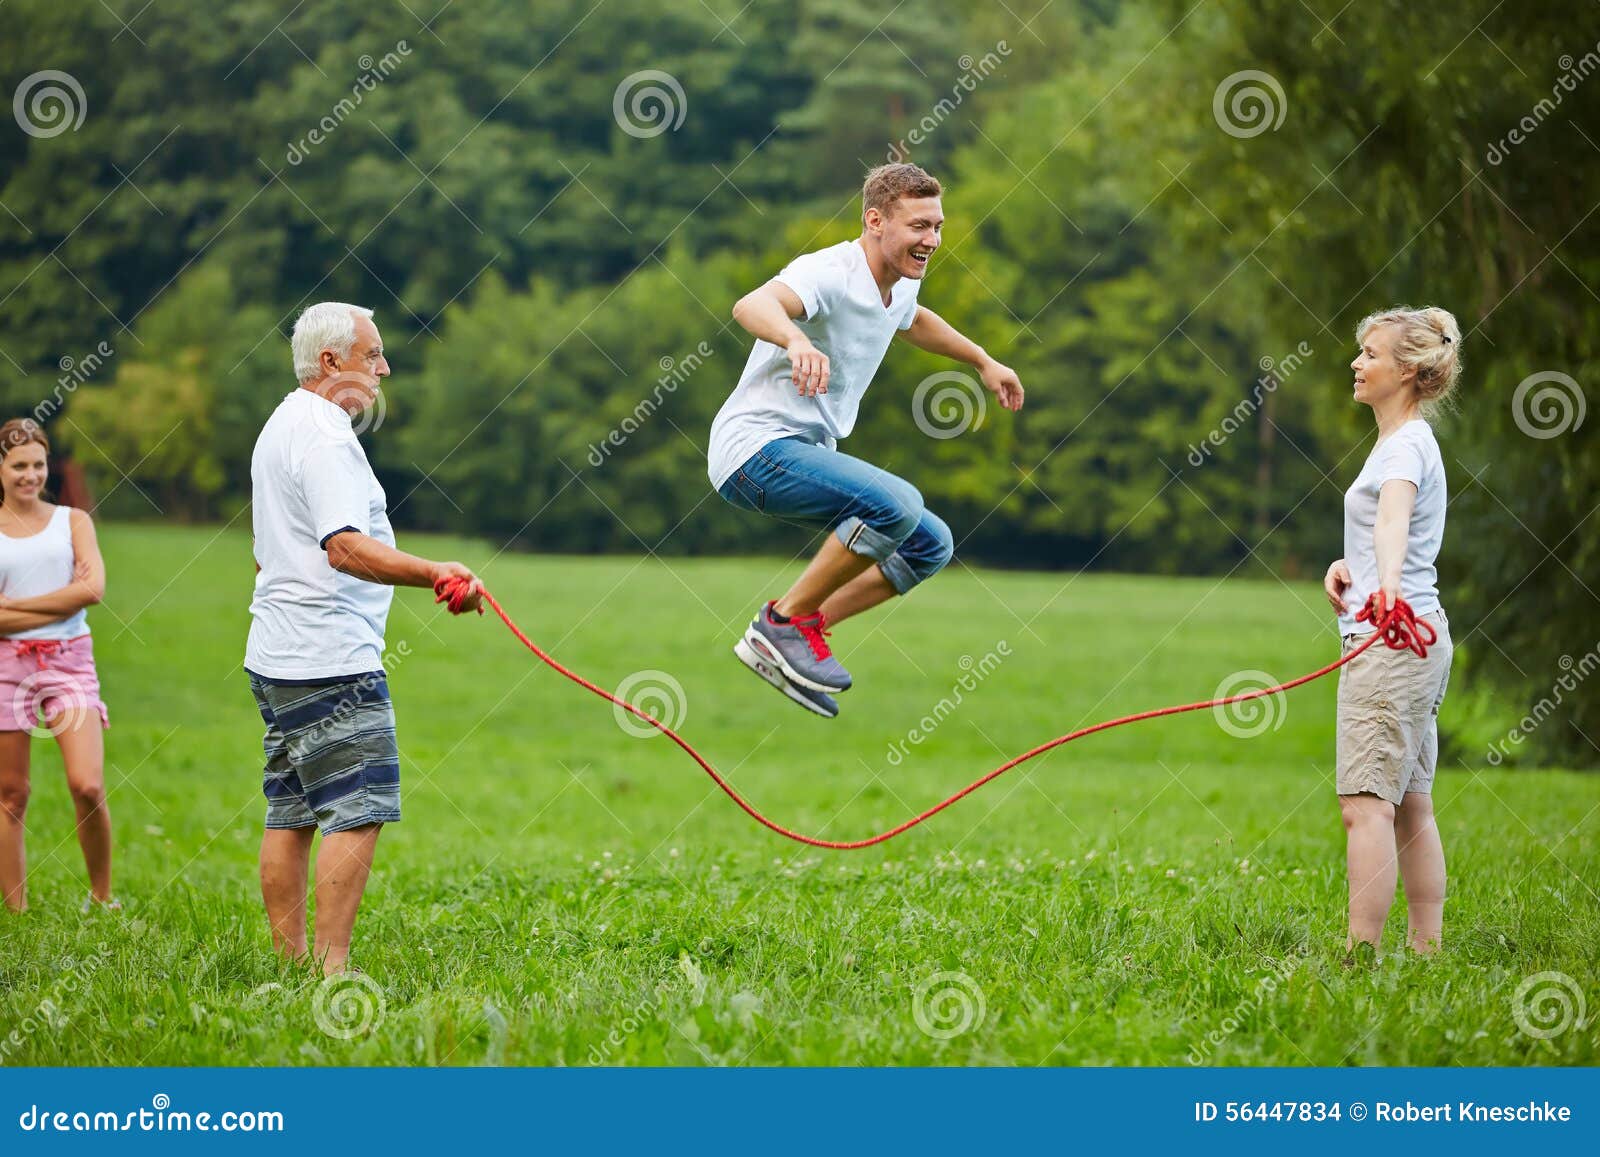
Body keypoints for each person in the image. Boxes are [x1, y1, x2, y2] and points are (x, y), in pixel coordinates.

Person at [709, 163, 1024, 718]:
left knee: (931, 543)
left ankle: (795, 633)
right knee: (894, 505)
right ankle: (782, 625)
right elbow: (750, 305)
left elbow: (914, 320)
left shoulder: (900, 283)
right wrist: (794, 338)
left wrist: (982, 360)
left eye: (938, 226)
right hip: (754, 451)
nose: (932, 240)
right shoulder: (830, 271)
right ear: (875, 221)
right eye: (919, 226)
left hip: (799, 455)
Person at [247, 302, 483, 976]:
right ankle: (331, 967)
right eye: (372, 354)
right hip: (328, 657)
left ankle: (291, 963)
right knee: (356, 808)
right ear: (331, 363)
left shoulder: (282, 423)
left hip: (276, 652)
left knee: (290, 809)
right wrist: (436, 571)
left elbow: (269, 555)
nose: (384, 367)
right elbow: (344, 548)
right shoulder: (323, 434)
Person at [1322, 306, 1460, 955]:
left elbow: (1394, 521)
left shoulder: (1403, 447)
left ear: (1407, 370)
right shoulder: (1406, 439)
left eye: (1371, 354)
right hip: (1420, 634)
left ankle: (1360, 955)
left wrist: (1388, 586)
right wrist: (1353, 569)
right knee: (1409, 803)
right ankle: (1426, 949)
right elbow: (1381, 529)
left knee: (1365, 803)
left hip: (1394, 642)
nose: (1357, 362)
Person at [0, 417, 113, 913]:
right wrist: (61, 599)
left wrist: (10, 611)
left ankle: (101, 896)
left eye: (38, 464)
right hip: (6, 665)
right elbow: (74, 592)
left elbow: (91, 591)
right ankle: (17, 909)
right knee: (10, 794)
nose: (30, 475)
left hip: (68, 661)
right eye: (18, 465)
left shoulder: (73, 522)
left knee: (86, 783)